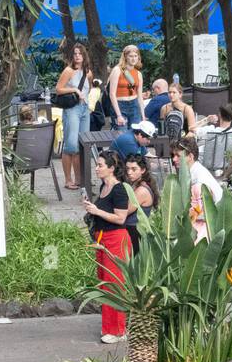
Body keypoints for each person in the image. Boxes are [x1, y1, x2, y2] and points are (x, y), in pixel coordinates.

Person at [82, 149, 135, 345]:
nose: (97, 168)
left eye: (100, 165)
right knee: (105, 283)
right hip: (102, 239)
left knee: (115, 284)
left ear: (111, 168)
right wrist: (91, 210)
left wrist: (97, 211)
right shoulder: (104, 187)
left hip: (115, 239)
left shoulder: (119, 189)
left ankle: (118, 329)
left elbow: (120, 218)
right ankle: (109, 327)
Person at [55, 43, 93, 190]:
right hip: (72, 109)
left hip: (84, 109)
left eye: (80, 53)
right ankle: (68, 179)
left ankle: (79, 178)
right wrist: (74, 90)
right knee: (71, 144)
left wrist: (85, 98)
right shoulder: (68, 71)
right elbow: (58, 89)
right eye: (75, 53)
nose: (77, 56)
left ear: (84, 55)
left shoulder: (88, 72)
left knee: (82, 143)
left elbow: (88, 89)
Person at [173, 136, 222, 242]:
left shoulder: (199, 181)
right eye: (174, 155)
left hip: (206, 229)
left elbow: (197, 213)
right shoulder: (193, 171)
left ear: (190, 156)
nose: (174, 159)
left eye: (178, 156)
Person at [123, 154, 159, 253]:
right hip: (131, 230)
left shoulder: (142, 190)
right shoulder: (136, 184)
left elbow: (124, 212)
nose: (129, 172)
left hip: (135, 232)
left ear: (142, 170)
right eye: (127, 169)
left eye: (134, 169)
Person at [108, 45, 144, 130]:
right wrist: (119, 115)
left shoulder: (138, 74)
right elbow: (112, 94)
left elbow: (140, 96)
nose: (133, 59)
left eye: (135, 56)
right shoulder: (117, 70)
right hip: (120, 105)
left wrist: (143, 115)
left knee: (136, 134)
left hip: (134, 105)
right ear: (125, 57)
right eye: (130, 56)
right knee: (122, 134)